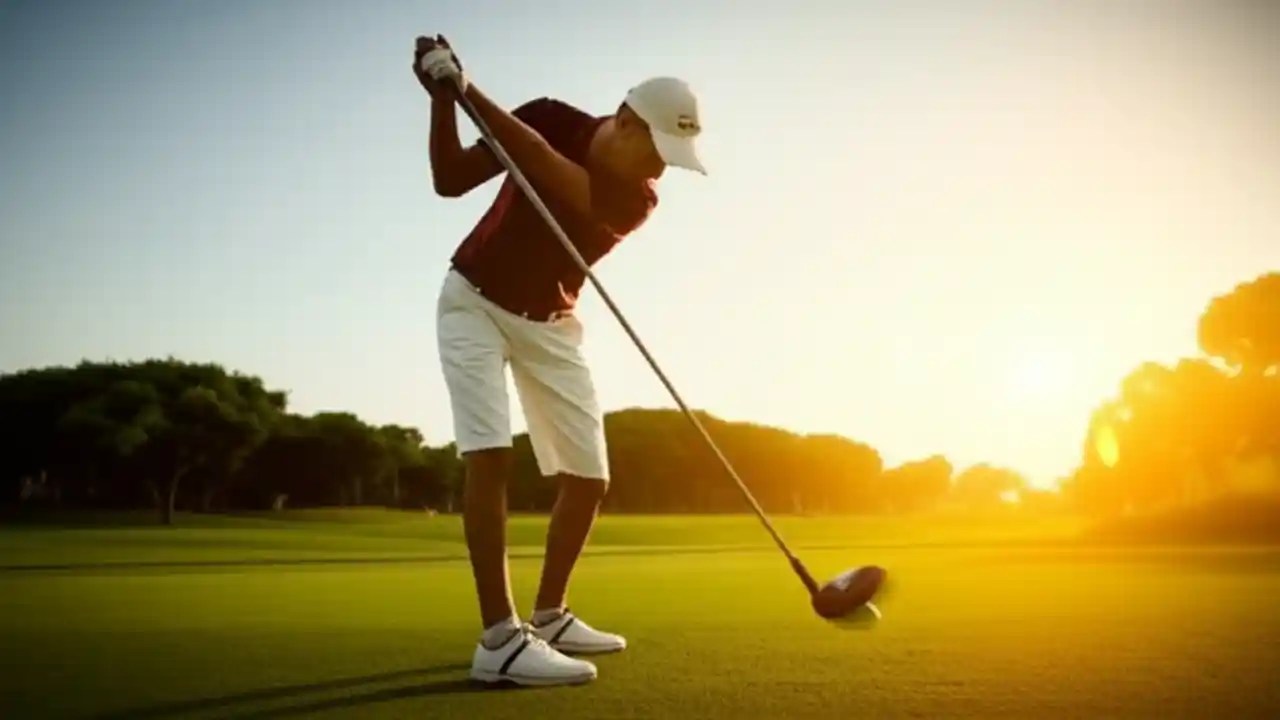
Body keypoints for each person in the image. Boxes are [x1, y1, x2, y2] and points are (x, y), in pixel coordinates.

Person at [412, 35, 706, 686]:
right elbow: (450, 180)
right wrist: (442, 98)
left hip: (550, 324)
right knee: (488, 456)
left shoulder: (636, 201)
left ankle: (549, 614)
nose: (661, 171)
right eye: (658, 150)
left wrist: (466, 87)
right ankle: (499, 640)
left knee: (588, 477)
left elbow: (544, 165)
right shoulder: (547, 115)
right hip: (473, 303)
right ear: (626, 122)